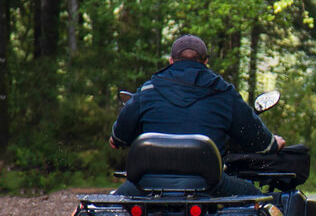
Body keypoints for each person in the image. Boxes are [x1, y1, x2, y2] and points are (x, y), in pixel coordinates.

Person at [110, 35, 284, 196]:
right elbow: (257, 140)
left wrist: (117, 140)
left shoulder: (147, 90)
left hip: (146, 185)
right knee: (261, 205)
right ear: (206, 62)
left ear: (171, 61)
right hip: (209, 186)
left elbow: (119, 135)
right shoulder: (223, 92)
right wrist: (272, 143)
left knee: (106, 211)